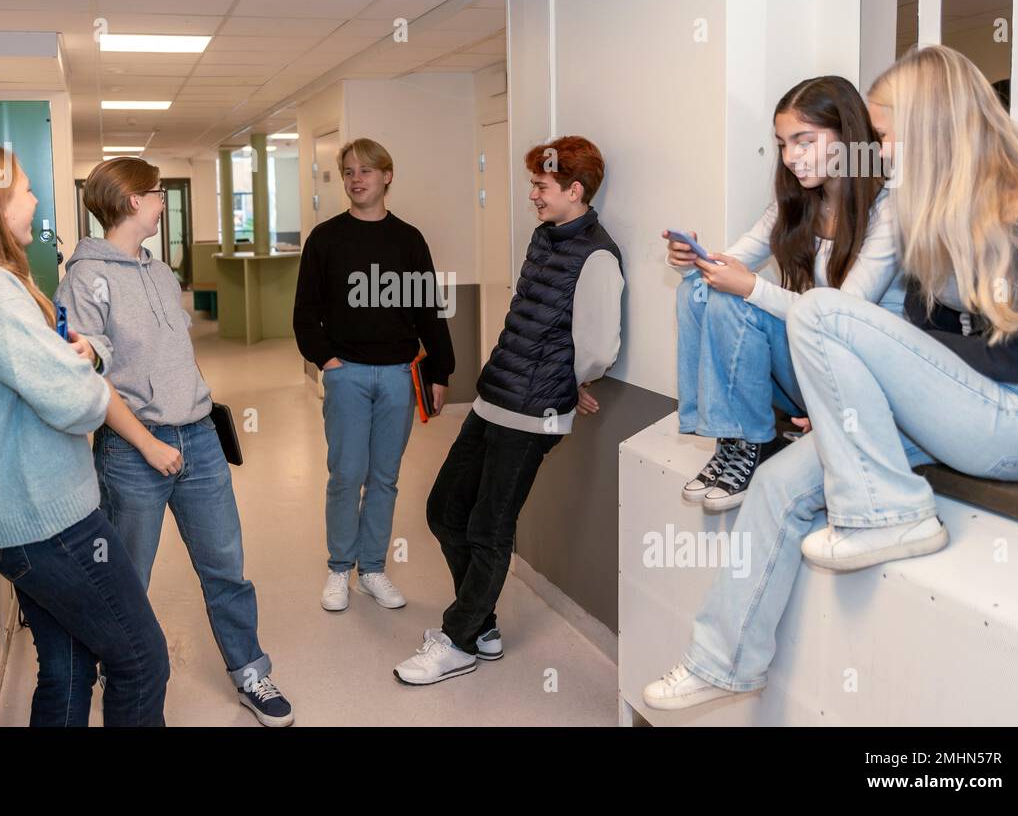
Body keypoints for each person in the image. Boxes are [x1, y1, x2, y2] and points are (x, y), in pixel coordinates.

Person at [644, 45, 1018, 711]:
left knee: (823, 314)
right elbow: (924, 331)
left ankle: (890, 514)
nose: (876, 150)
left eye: (885, 135)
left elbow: (1012, 362)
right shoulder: (935, 213)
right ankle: (723, 661)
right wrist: (850, 394)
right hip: (963, 406)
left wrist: (872, 374)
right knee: (776, 485)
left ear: (934, 126)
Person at [0, 144, 170, 726]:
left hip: (19, 518)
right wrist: (78, 368)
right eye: (26, 190)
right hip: (47, 522)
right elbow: (80, 403)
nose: (35, 200)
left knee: (70, 666)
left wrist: (65, 361)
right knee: (141, 657)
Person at [54, 156, 292, 727]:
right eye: (157, 194)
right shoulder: (83, 280)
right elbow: (91, 381)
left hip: (201, 440)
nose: (163, 202)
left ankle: (249, 672)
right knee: (127, 576)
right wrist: (149, 445)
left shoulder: (160, 271)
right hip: (133, 450)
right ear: (133, 200)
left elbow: (172, 357)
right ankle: (123, 672)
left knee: (226, 567)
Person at [393, 135, 623, 685]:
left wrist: (569, 382)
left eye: (541, 187)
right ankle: (483, 626)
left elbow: (598, 348)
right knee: (445, 510)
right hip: (496, 397)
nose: (533, 196)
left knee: (490, 527)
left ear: (574, 189)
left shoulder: (597, 256)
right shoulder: (545, 238)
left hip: (533, 413)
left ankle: (459, 640)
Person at [666, 75, 905, 510]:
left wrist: (752, 286)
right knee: (699, 293)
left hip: (864, 375)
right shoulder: (794, 203)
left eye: (804, 141)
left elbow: (840, 316)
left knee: (739, 298)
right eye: (782, 144)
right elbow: (731, 263)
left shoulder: (887, 210)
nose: (791, 157)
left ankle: (750, 441)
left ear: (849, 137)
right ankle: (733, 440)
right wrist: (694, 261)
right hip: (810, 366)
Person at [293, 138, 456, 613]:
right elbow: (305, 312)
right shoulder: (325, 239)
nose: (356, 179)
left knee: (384, 478)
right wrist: (327, 362)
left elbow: (429, 310)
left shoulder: (408, 239)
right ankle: (339, 570)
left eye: (366, 171)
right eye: (348, 172)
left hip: (398, 376)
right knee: (346, 475)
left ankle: (374, 569)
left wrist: (440, 370)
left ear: (387, 176)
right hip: (347, 374)